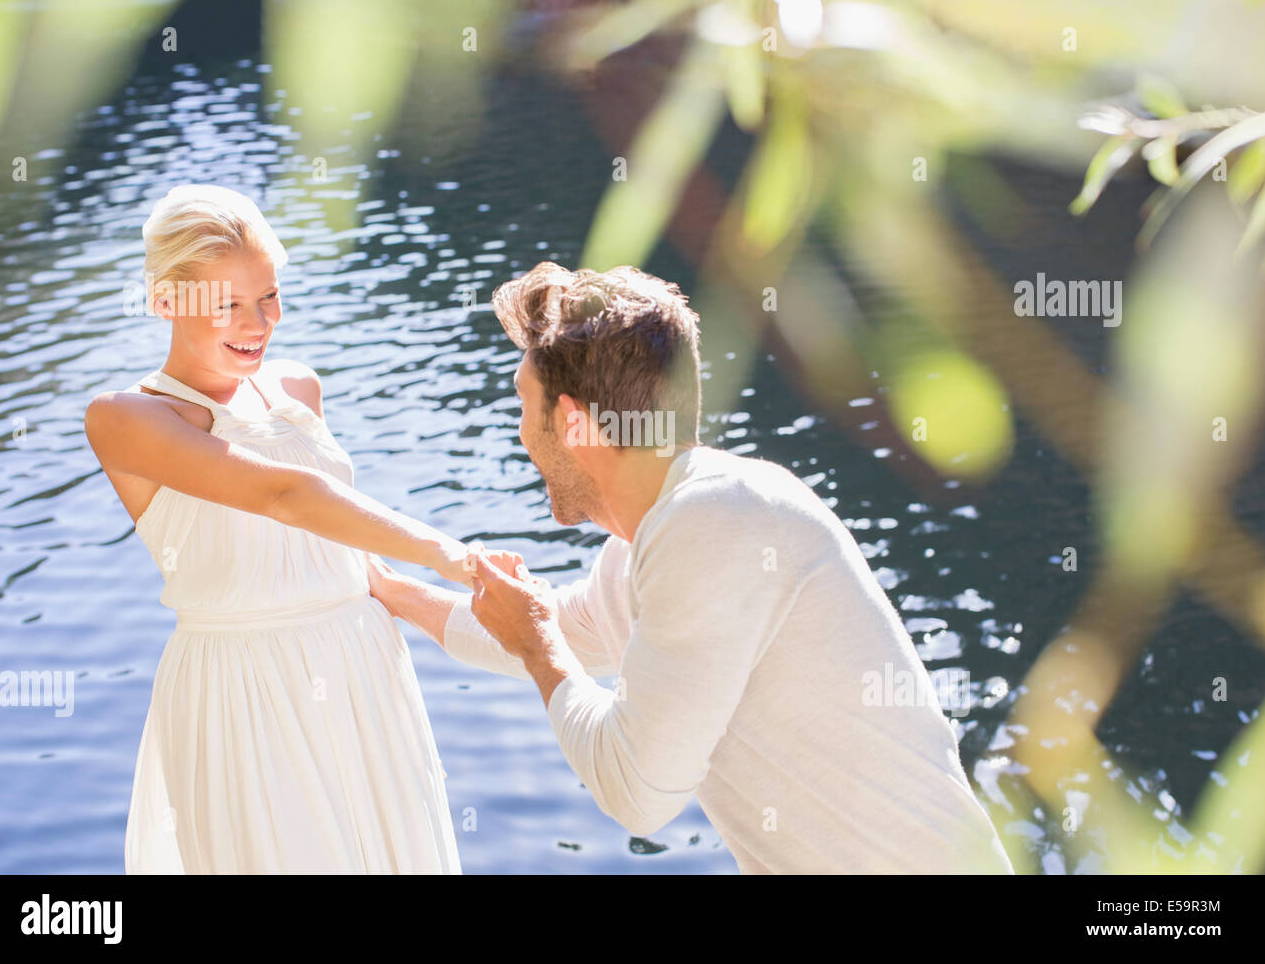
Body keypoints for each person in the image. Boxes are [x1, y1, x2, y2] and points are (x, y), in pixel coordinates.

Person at [369, 261, 1016, 873]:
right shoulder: (648, 545)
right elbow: (545, 629)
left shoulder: (714, 520)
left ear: (571, 423)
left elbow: (638, 793)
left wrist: (538, 643)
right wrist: (390, 591)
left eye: (523, 405)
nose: (519, 434)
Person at [85, 184, 512, 873]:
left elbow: (339, 550)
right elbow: (284, 494)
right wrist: (450, 554)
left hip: (364, 667)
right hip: (245, 686)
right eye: (228, 304)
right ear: (165, 301)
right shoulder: (126, 417)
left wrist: (469, 612)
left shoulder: (297, 389)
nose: (259, 322)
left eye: (269, 296)